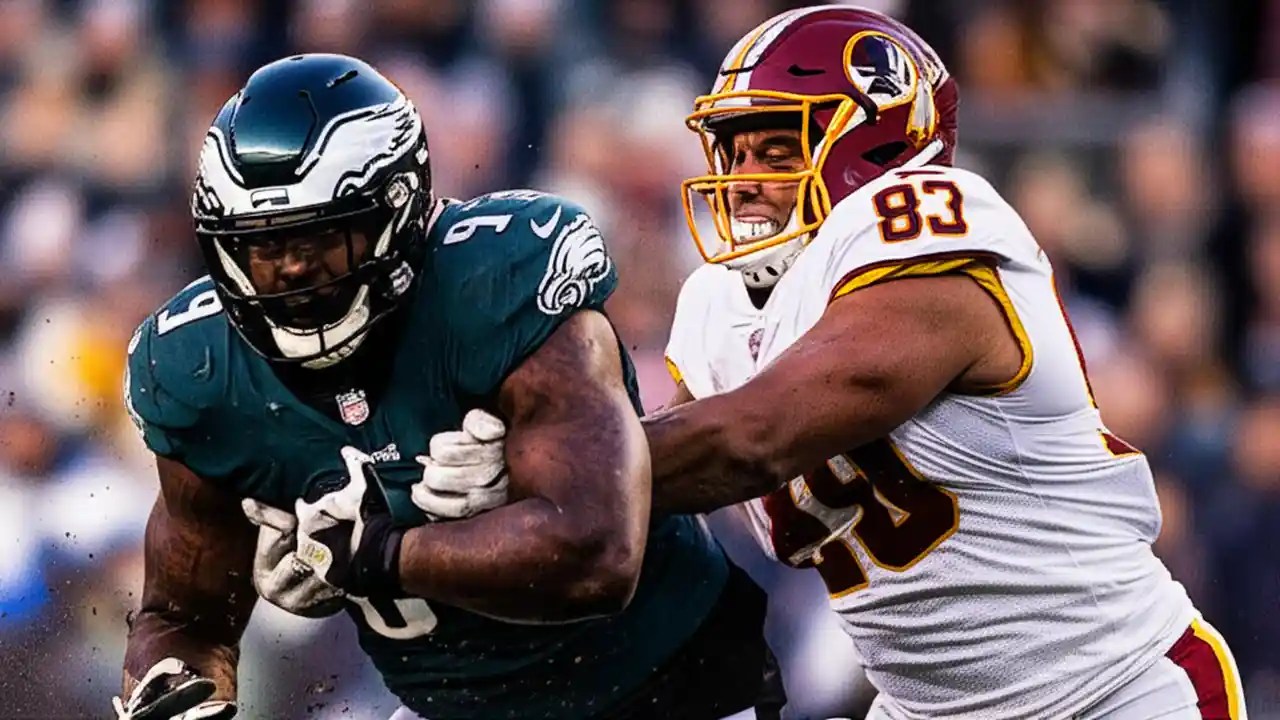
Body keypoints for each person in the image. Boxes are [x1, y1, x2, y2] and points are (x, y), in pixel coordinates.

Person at [417, 7, 1247, 720]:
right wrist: (398, 509)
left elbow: (756, 437)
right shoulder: (719, 308)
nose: (742, 181)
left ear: (881, 147)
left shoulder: (941, 228)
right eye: (732, 153)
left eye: (776, 149)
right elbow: (642, 489)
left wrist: (530, 473)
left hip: (1107, 691)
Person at [114, 53, 781, 720]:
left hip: (664, 687)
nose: (291, 273)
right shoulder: (197, 367)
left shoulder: (499, 280)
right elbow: (184, 618)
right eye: (262, 248)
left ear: (398, 211)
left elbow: (596, 553)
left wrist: (379, 554)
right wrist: (173, 686)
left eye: (321, 241)